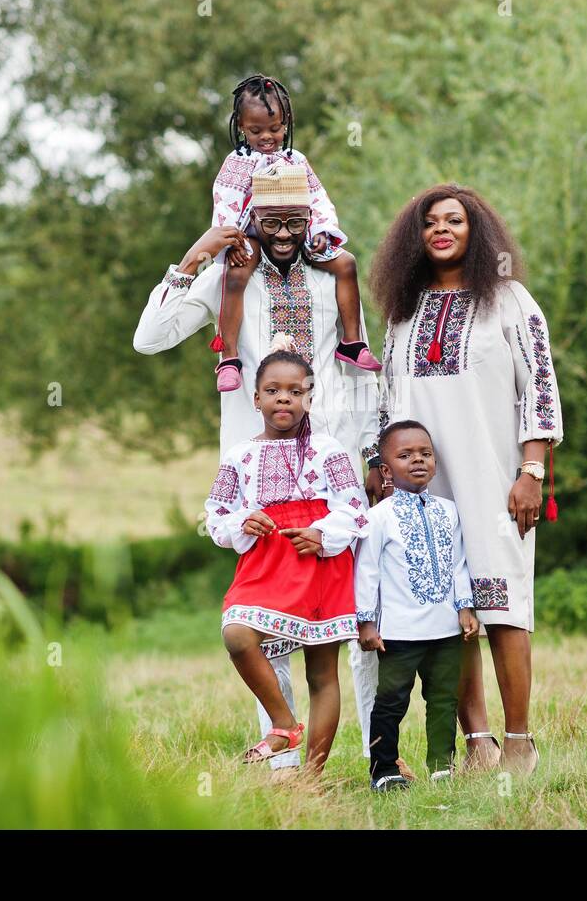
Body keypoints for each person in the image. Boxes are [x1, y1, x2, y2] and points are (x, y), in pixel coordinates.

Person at [133, 162, 383, 775]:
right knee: (261, 621)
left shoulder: (332, 276)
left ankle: (378, 757)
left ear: (310, 218)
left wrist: (374, 449)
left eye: (294, 219)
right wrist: (193, 258)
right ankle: (283, 763)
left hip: (334, 469)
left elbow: (360, 368)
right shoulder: (228, 276)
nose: (282, 232)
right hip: (256, 481)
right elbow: (149, 338)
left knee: (349, 621)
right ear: (248, 217)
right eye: (269, 218)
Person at [369, 183, 564, 775]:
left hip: (495, 479)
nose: (442, 230)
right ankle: (476, 740)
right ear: (417, 237)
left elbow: (541, 389)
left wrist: (532, 471)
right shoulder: (404, 313)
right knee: (449, 616)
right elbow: (387, 401)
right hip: (423, 490)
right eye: (430, 223)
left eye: (454, 220)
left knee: (504, 608)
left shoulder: (509, 300)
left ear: (476, 232)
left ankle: (521, 741)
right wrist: (380, 469)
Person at [205, 336, 370, 772]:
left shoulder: (328, 449)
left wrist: (323, 534)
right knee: (237, 634)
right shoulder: (240, 457)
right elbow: (215, 515)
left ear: (309, 399)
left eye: (296, 392)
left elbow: (355, 508)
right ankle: (282, 723)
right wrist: (243, 521)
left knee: (322, 674)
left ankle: (312, 777)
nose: (285, 398)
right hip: (265, 565)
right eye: (274, 390)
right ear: (256, 398)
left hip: (320, 565)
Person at [208, 73, 380, 393]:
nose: (267, 137)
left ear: (286, 124)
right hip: (254, 234)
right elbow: (226, 203)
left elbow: (317, 199)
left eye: (275, 129)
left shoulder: (296, 160)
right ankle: (229, 357)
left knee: (346, 263)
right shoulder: (236, 163)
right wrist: (230, 241)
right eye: (256, 130)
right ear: (241, 127)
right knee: (236, 273)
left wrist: (322, 232)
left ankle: (352, 341)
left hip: (299, 232)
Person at [356, 420, 478, 792]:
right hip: (399, 633)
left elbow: (459, 562)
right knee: (391, 701)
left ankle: (442, 767)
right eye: (405, 455)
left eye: (425, 453)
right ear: (386, 469)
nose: (418, 461)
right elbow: (367, 571)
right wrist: (366, 623)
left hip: (445, 630)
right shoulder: (379, 517)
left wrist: (465, 607)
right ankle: (384, 770)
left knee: (443, 699)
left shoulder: (449, 511)